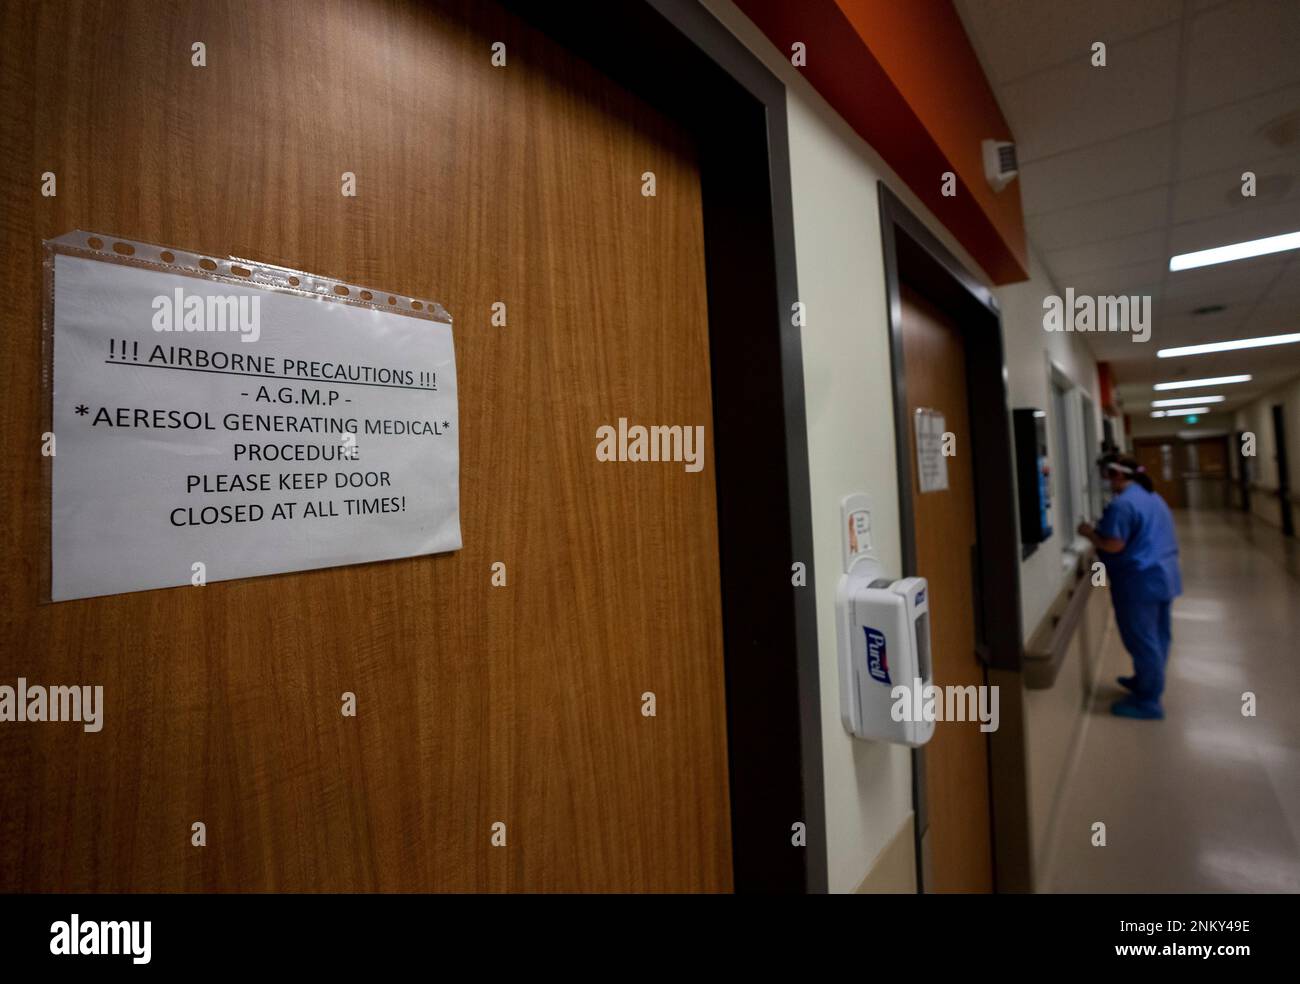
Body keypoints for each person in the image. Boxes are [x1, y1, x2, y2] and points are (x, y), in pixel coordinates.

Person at [1077, 453, 1182, 720]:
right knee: (1157, 635)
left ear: (1117, 475)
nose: (1104, 481)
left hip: (1138, 582)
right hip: (1163, 575)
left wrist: (1089, 532)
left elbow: (1114, 544)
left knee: (1141, 639)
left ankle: (1148, 700)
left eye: (1106, 475)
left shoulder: (1122, 505)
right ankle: (1145, 681)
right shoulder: (1151, 497)